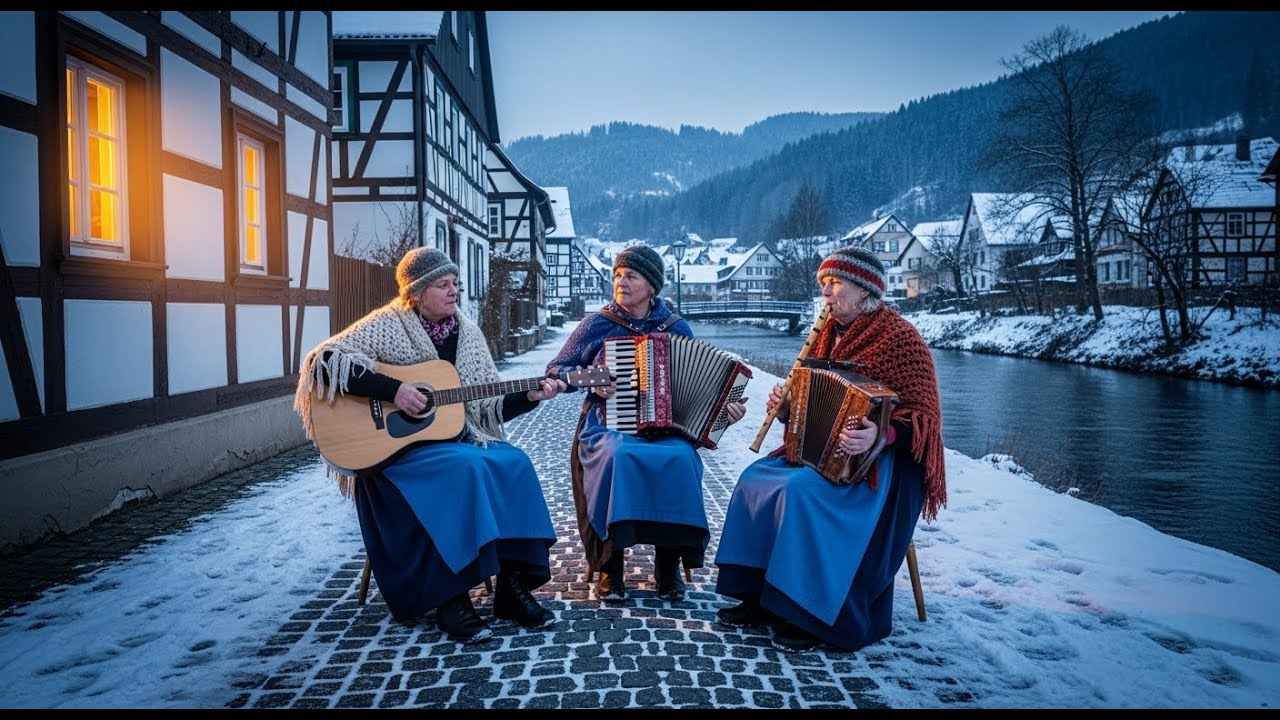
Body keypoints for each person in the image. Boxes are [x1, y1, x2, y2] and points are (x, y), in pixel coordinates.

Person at [294, 247, 567, 645]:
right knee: (464, 470)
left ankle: (513, 586)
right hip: (398, 456)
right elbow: (323, 360)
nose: (454, 291)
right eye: (443, 285)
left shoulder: (467, 333)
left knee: (514, 462)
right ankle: (450, 599)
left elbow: (486, 408)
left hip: (454, 441)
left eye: (455, 283)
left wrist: (529, 397)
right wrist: (394, 390)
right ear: (417, 293)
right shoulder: (387, 323)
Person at [713, 245, 946, 653]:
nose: (827, 293)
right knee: (756, 479)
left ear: (865, 290)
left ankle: (810, 612)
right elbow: (811, 405)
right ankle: (760, 596)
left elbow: (924, 420)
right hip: (819, 455)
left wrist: (881, 435)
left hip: (879, 467)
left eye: (835, 283)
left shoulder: (901, 340)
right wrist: (785, 408)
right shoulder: (824, 334)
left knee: (803, 492)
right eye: (824, 284)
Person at [546, 244, 748, 603]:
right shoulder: (598, 323)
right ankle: (611, 566)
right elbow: (556, 371)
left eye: (631, 276)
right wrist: (592, 379)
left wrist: (725, 412)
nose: (621, 283)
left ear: (651, 286)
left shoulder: (676, 326)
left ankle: (668, 566)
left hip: (665, 428)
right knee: (618, 455)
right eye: (618, 275)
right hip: (607, 423)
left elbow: (703, 385)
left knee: (681, 459)